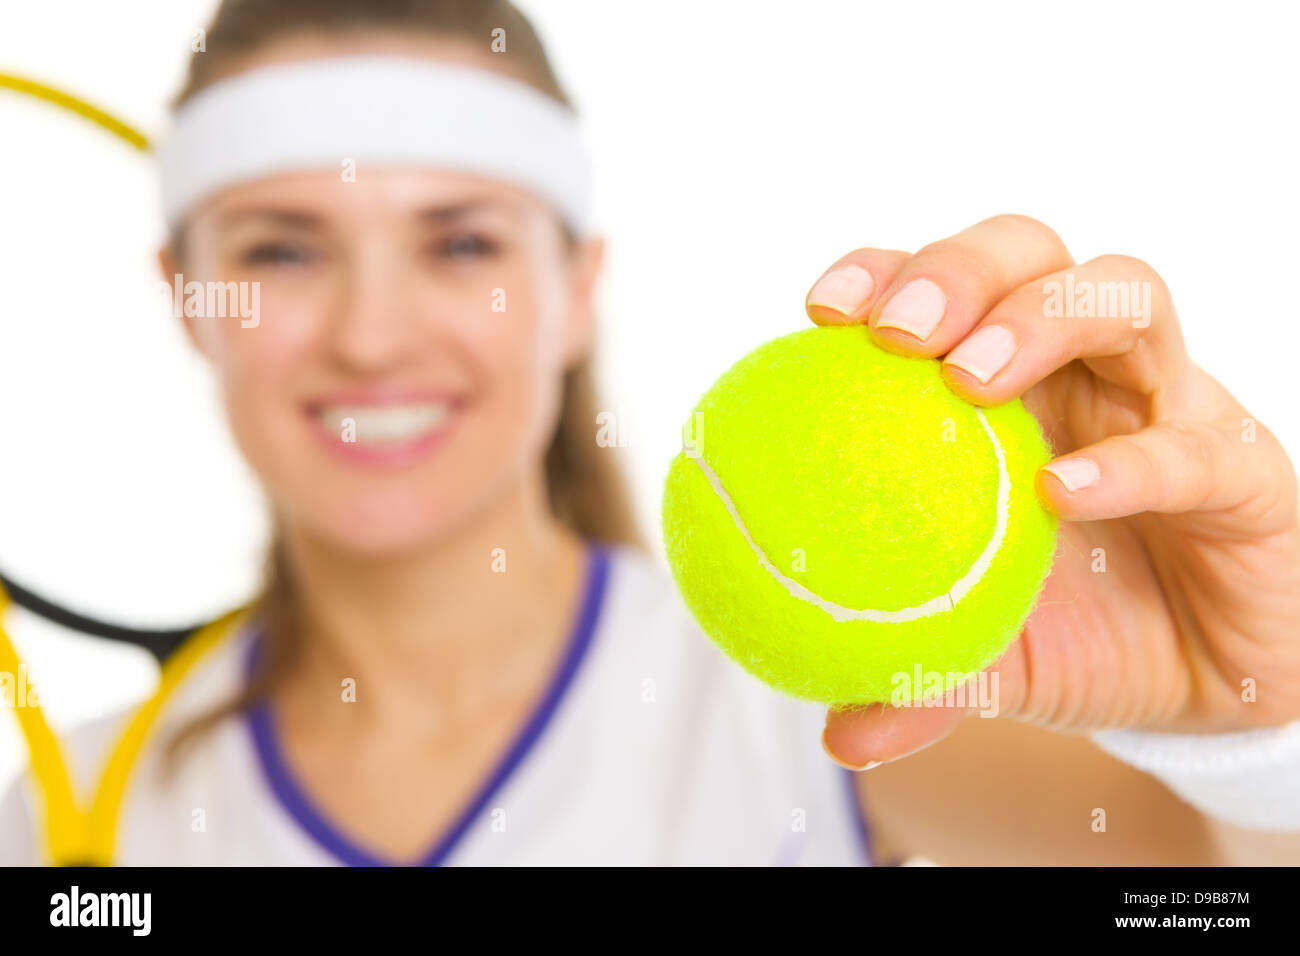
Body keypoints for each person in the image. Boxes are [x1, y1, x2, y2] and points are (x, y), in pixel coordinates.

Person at [2, 0, 1298, 866]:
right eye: (283, 252)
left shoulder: (821, 694)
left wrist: (1252, 732)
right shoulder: (74, 819)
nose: (372, 334)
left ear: (576, 290)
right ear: (188, 297)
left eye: (461, 244)